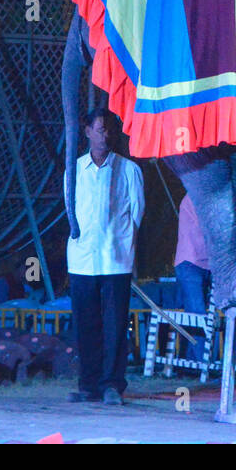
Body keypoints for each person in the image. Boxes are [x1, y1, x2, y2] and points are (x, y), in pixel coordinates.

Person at [67, 107, 144, 405]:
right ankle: (88, 385)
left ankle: (112, 384)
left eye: (109, 130)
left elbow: (136, 216)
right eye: (100, 130)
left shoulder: (128, 170)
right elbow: (70, 210)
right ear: (87, 132)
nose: (105, 135)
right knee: (86, 325)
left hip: (115, 260)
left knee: (114, 325)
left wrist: (127, 252)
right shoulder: (74, 171)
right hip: (83, 260)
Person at [173, 194, 212, 362]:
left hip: (207, 263)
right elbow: (207, 228)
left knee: (198, 314)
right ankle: (200, 362)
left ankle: (191, 359)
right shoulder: (193, 198)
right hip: (190, 261)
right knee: (197, 313)